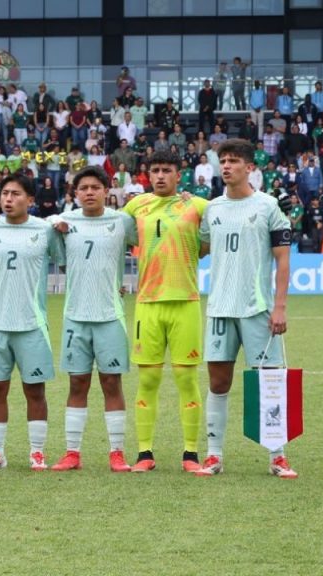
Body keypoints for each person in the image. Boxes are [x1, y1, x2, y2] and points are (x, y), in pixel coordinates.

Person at [196, 138, 297, 479]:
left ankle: (277, 456)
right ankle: (213, 456)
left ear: (249, 168)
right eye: (222, 161)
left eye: (234, 161)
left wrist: (279, 307)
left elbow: (283, 261)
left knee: (269, 381)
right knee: (218, 382)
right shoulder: (212, 209)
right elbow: (201, 248)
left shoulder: (268, 206)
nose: (226, 166)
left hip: (257, 310)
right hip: (220, 309)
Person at [46, 166, 137, 473]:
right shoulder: (64, 221)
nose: (88, 192)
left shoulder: (121, 221)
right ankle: (72, 452)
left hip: (110, 315)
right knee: (77, 383)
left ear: (106, 190)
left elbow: (150, 231)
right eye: (82, 188)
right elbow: (42, 228)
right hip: (75, 317)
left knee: (112, 383)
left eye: (94, 187)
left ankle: (117, 453)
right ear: (75, 193)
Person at [122, 151, 208, 473]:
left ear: (178, 174)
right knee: (149, 379)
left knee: (187, 378)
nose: (160, 176)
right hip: (148, 304)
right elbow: (108, 228)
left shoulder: (197, 206)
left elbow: (215, 234)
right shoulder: (135, 206)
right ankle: (145, 453)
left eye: (166, 170)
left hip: (185, 302)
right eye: (155, 170)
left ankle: (191, 454)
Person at [0, 174, 63, 471]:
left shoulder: (45, 230)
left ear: (31, 200)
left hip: (32, 324)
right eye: (4, 194)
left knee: (34, 391)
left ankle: (37, 452)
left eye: (16, 194)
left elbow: (64, 259)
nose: (8, 199)